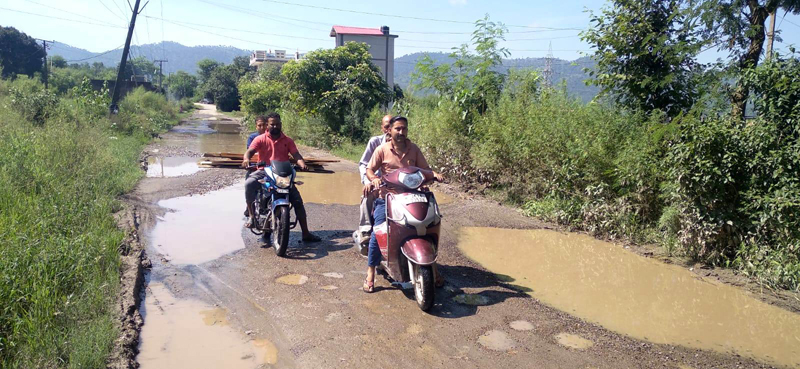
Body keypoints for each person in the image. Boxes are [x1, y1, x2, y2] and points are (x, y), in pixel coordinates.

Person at [362, 116, 445, 292]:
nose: (401, 132)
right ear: (389, 131)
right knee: (379, 231)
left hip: (412, 197)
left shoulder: (413, 149)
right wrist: (375, 179)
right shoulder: (382, 150)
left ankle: (433, 267)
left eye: (404, 129)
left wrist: (434, 174)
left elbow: (425, 169)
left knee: (430, 224)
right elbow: (369, 169)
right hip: (388, 197)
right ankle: (370, 272)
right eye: (397, 129)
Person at [242, 112, 321, 243]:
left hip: (283, 173)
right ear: (267, 125)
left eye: (277, 124)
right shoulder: (260, 139)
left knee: (297, 201)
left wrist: (302, 164)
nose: (275, 126)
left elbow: (296, 154)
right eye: (272, 124)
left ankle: (306, 233)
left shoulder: (288, 140)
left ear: (281, 125)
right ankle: (251, 215)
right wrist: (246, 159)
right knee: (249, 183)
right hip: (264, 171)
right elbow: (250, 151)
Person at [354, 114, 393, 248]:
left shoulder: (404, 145)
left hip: (396, 185)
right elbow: (364, 164)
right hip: (376, 182)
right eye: (386, 126)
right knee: (367, 194)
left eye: (392, 126)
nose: (389, 129)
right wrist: (367, 181)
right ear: (383, 128)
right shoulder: (375, 142)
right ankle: (365, 230)